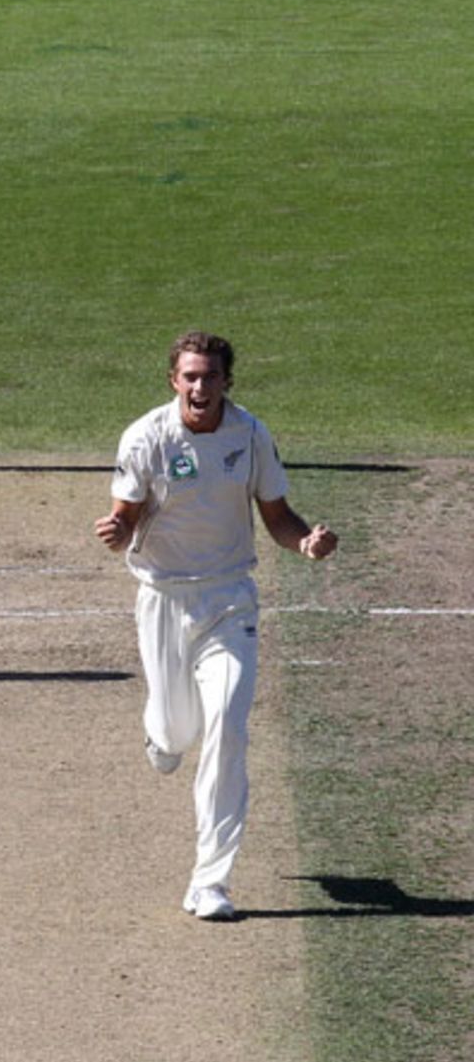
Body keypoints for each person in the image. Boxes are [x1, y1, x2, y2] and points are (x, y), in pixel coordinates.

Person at [95, 332, 338, 921]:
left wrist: (304, 543)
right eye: (190, 377)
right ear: (173, 381)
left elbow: (277, 515)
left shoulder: (250, 434)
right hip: (163, 598)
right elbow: (125, 516)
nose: (200, 387)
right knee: (177, 736)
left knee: (228, 727)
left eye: (210, 377)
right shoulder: (146, 436)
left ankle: (210, 881)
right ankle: (162, 733)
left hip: (230, 599)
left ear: (228, 382)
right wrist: (118, 534)